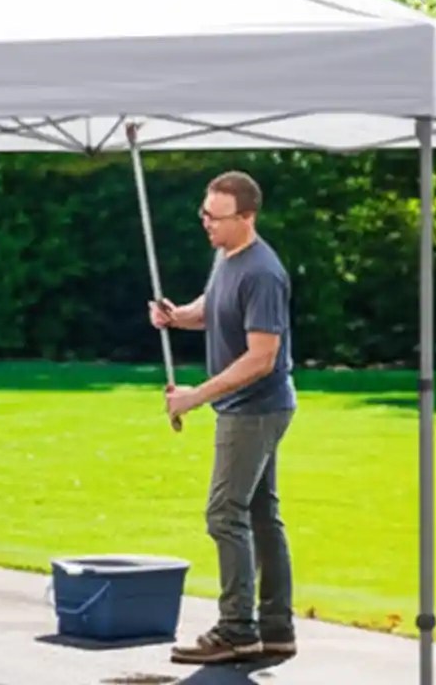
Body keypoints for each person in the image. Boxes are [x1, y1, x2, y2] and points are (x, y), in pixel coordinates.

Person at [148, 170, 298, 664]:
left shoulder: (263, 272)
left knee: (224, 514)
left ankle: (237, 630)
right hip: (252, 407)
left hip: (254, 409)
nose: (206, 223)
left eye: (216, 216)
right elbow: (214, 306)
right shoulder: (227, 257)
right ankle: (276, 629)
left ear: (247, 218)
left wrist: (196, 396)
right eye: (204, 213)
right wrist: (177, 315)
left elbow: (262, 357)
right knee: (259, 514)